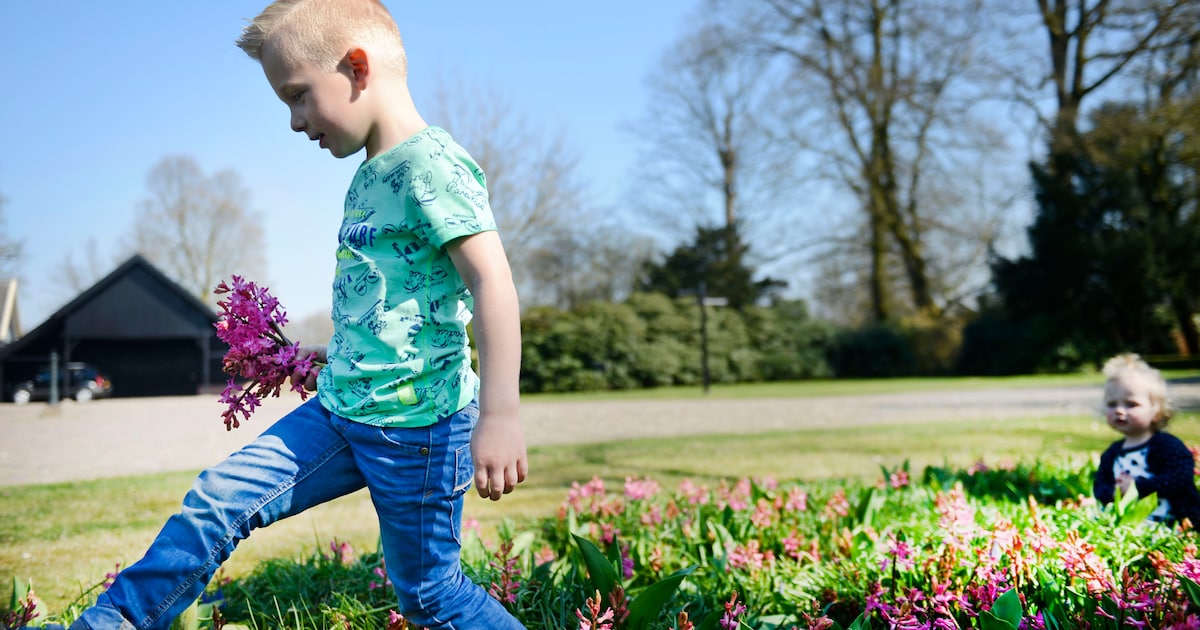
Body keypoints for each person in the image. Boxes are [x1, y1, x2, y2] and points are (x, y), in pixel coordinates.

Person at [69, 1, 528, 628]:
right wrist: (336, 357)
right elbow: (388, 303)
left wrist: (500, 415)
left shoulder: (432, 165)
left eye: (298, 96)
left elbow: (492, 282)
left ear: (357, 68)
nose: (294, 121)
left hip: (419, 430)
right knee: (217, 500)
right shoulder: (370, 174)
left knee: (431, 596)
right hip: (340, 413)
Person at [1092, 353, 1200, 528]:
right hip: (1130, 524)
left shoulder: (1167, 445)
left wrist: (1137, 487)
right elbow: (1100, 486)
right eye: (1112, 404)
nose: (1119, 410)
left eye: (1131, 404)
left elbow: (1180, 479)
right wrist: (1113, 492)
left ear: (1157, 411)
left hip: (1172, 523)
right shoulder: (1112, 453)